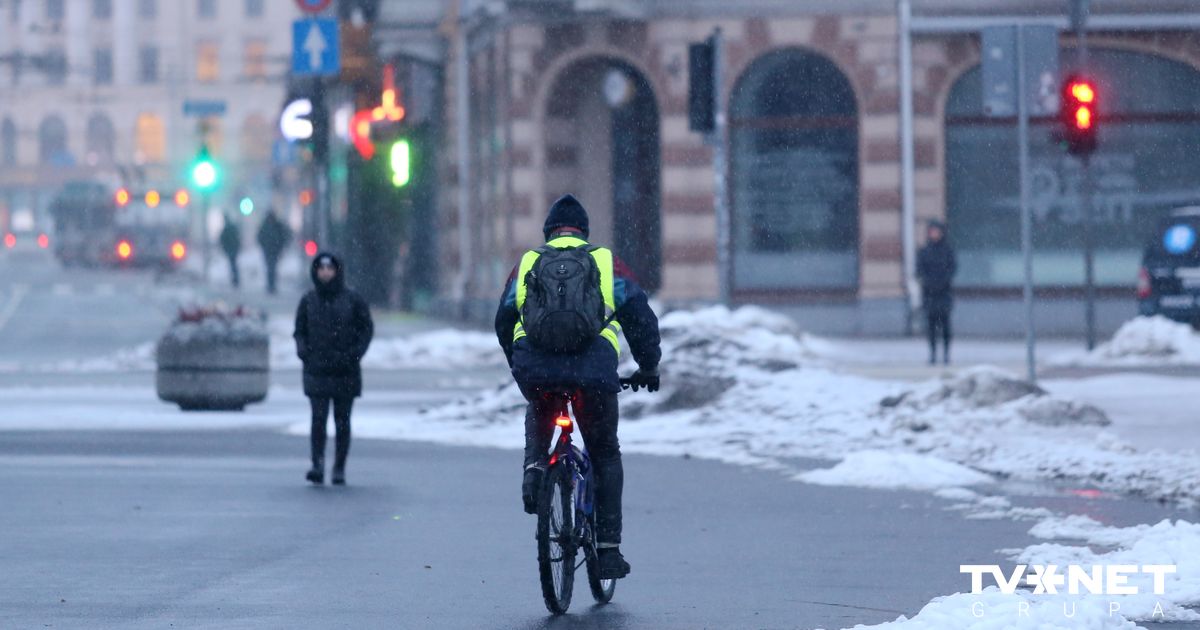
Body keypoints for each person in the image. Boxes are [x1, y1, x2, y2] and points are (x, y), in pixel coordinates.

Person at [494, 194, 662, 580]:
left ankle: (535, 467)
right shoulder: (604, 260)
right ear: (582, 232)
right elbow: (639, 314)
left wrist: (518, 363)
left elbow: (504, 319)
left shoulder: (529, 262)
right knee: (604, 454)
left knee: (541, 402)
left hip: (536, 368)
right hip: (593, 373)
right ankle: (607, 550)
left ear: (548, 232)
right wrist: (648, 366)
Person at [293, 252, 374, 485]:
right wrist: (304, 352)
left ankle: (339, 466)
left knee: (342, 420)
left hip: (345, 371)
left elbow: (365, 329)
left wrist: (354, 355)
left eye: (330, 269)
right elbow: (300, 330)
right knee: (318, 419)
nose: (325, 273)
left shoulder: (352, 300)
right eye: (321, 269)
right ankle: (317, 464)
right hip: (317, 370)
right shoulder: (308, 301)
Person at [917, 220, 957, 365]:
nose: (934, 234)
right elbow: (919, 271)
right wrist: (929, 283)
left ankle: (946, 355)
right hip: (929, 294)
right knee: (931, 327)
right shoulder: (924, 251)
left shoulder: (947, 251)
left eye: (937, 231)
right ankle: (932, 355)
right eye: (932, 231)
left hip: (944, 293)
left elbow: (952, 269)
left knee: (946, 326)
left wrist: (942, 282)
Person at [257, 210, 292, 295]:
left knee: (271, 267)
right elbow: (260, 237)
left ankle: (271, 284)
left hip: (273, 250)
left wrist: (280, 245)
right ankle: (271, 285)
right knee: (271, 267)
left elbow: (284, 235)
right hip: (271, 250)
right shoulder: (273, 225)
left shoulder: (272, 225)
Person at [219, 216, 241, 288]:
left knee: (232, 264)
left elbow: (222, 239)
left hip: (230, 249)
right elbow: (237, 237)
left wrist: (225, 247)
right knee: (234, 264)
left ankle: (235, 279)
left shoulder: (226, 229)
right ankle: (236, 279)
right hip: (233, 249)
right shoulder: (232, 228)